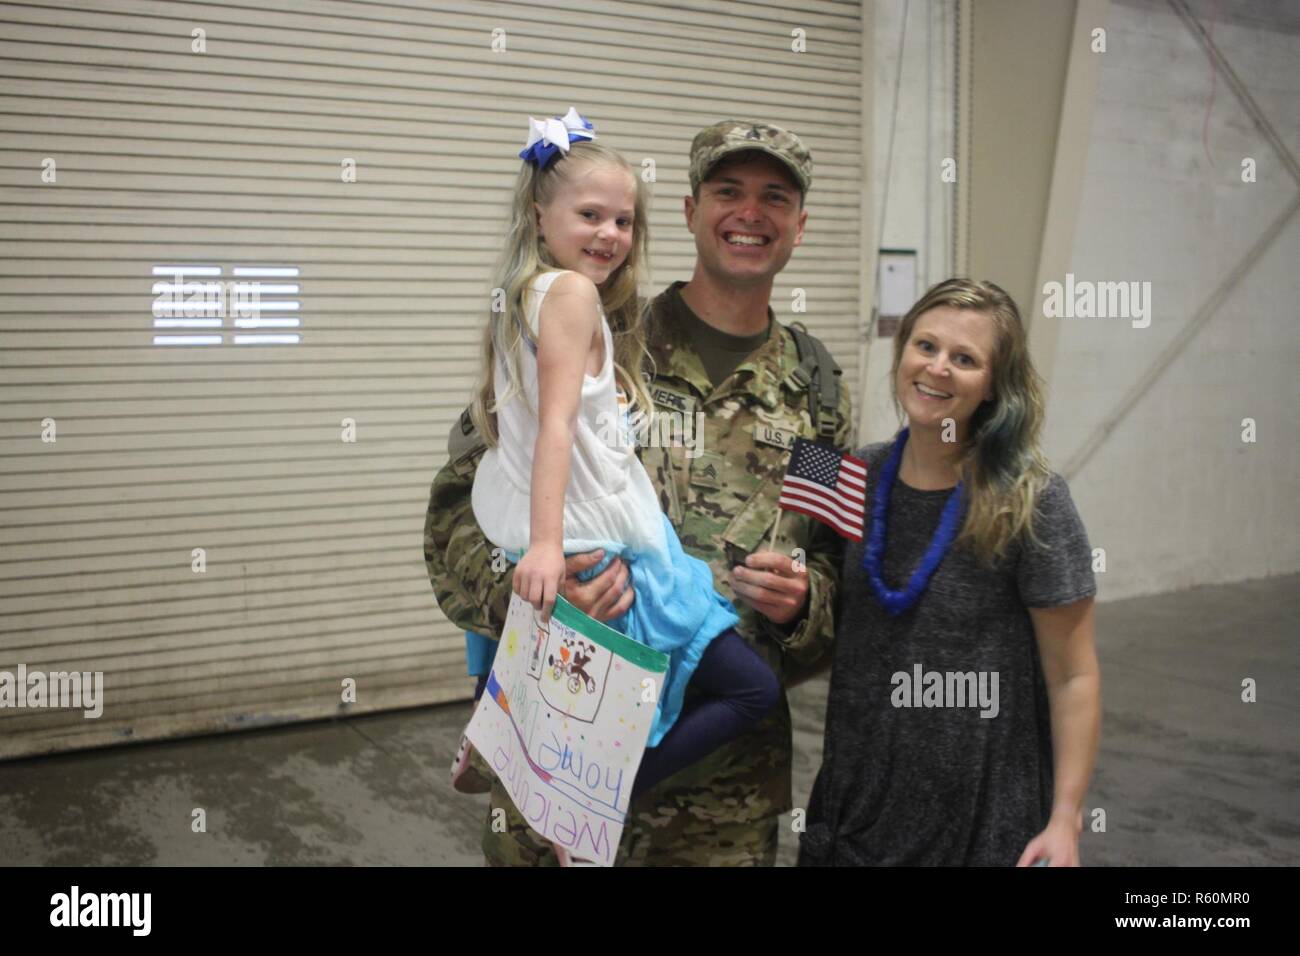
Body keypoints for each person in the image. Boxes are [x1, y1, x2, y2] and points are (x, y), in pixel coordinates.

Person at [425, 118, 855, 866]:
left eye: (774, 198)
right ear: (689, 211)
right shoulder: (596, 333)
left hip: (721, 804)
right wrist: (527, 594)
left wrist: (803, 604)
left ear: (799, 225)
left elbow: (835, 567)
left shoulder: (817, 399)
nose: (750, 214)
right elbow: (461, 513)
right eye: (728, 191)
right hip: (559, 765)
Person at [798, 278, 1102, 867]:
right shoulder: (854, 473)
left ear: (993, 387)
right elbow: (816, 607)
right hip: (854, 816)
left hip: (982, 828)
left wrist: (1066, 818)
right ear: (901, 352)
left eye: (965, 359)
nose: (937, 368)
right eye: (926, 346)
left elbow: (1074, 678)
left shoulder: (1031, 500)